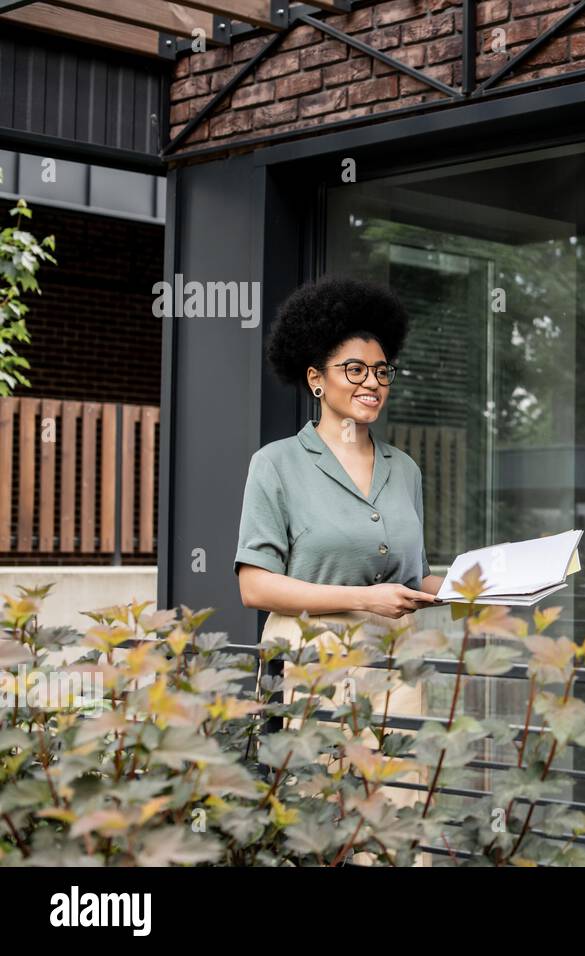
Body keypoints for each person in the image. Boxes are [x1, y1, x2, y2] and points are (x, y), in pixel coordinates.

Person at [233, 276, 445, 818]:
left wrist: (477, 585)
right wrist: (364, 600)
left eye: (381, 371)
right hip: (311, 666)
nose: (371, 382)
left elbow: (414, 576)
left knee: (395, 821)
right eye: (354, 369)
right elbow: (254, 585)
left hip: (397, 668)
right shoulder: (276, 464)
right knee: (316, 821)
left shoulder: (407, 471)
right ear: (316, 380)